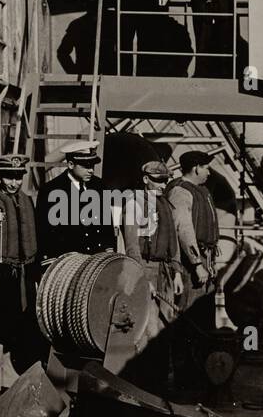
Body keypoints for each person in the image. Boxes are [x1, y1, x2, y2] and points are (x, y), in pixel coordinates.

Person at [0, 153, 40, 397]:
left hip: (22, 274)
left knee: (16, 328)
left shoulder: (26, 201)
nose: (14, 182)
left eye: (18, 177)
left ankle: (9, 379)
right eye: (9, 177)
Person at [164, 149, 221, 396]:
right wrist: (197, 264)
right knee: (187, 325)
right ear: (196, 168)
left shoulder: (202, 192)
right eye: (206, 167)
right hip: (191, 268)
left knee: (202, 325)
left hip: (204, 264)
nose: (209, 171)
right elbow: (183, 228)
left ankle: (199, 378)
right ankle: (184, 381)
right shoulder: (181, 192)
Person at [120, 158, 182, 386]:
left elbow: (173, 242)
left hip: (165, 270)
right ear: (146, 180)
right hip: (143, 268)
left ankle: (161, 381)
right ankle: (145, 383)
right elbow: (132, 246)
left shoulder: (164, 205)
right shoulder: (134, 204)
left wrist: (176, 272)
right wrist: (143, 278)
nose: (162, 186)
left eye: (165, 181)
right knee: (149, 328)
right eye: (157, 181)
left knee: (166, 326)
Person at [35, 140, 116, 262]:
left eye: (92, 165)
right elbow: (44, 231)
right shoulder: (51, 190)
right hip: (67, 261)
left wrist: (109, 250)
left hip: (96, 258)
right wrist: (49, 260)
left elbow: (106, 224)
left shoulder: (99, 186)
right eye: (86, 166)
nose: (91, 170)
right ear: (71, 164)